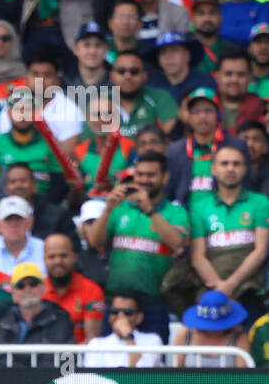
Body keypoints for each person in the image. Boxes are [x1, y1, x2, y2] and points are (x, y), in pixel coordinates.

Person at [86, 151, 190, 340]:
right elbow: (95, 241)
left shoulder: (175, 212)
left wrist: (149, 210)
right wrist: (108, 208)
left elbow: (177, 242)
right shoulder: (120, 208)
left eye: (151, 175)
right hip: (116, 303)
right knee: (112, 363)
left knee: (152, 365)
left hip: (153, 303)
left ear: (165, 177)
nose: (144, 180)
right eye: (140, 175)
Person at [187, 144, 269, 320]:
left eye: (236, 164)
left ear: (245, 169)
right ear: (213, 169)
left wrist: (230, 285)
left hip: (250, 289)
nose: (230, 168)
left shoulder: (261, 203)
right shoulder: (200, 207)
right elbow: (197, 256)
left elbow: (261, 251)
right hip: (212, 290)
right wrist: (220, 289)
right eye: (224, 164)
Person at [171, 290, 252, 366]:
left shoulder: (240, 338)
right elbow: (176, 372)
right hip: (190, 381)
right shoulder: (185, 334)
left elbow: (242, 378)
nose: (214, 329)